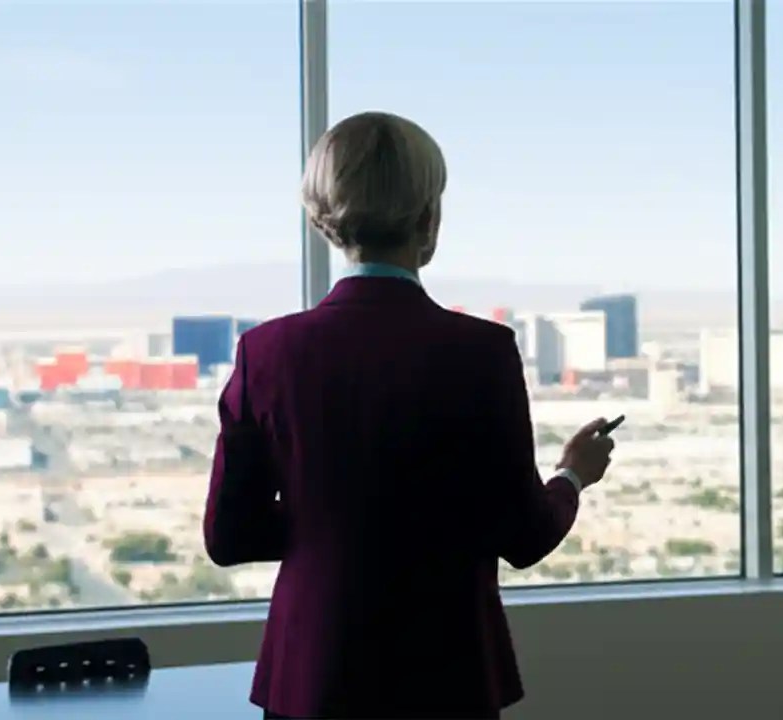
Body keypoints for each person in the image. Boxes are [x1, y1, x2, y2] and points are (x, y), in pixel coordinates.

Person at [203, 111, 616, 720]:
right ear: (430, 220)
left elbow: (229, 537)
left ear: (322, 222)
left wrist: (330, 515)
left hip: (309, 678)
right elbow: (525, 538)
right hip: (446, 679)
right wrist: (573, 475)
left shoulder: (266, 353)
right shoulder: (481, 352)